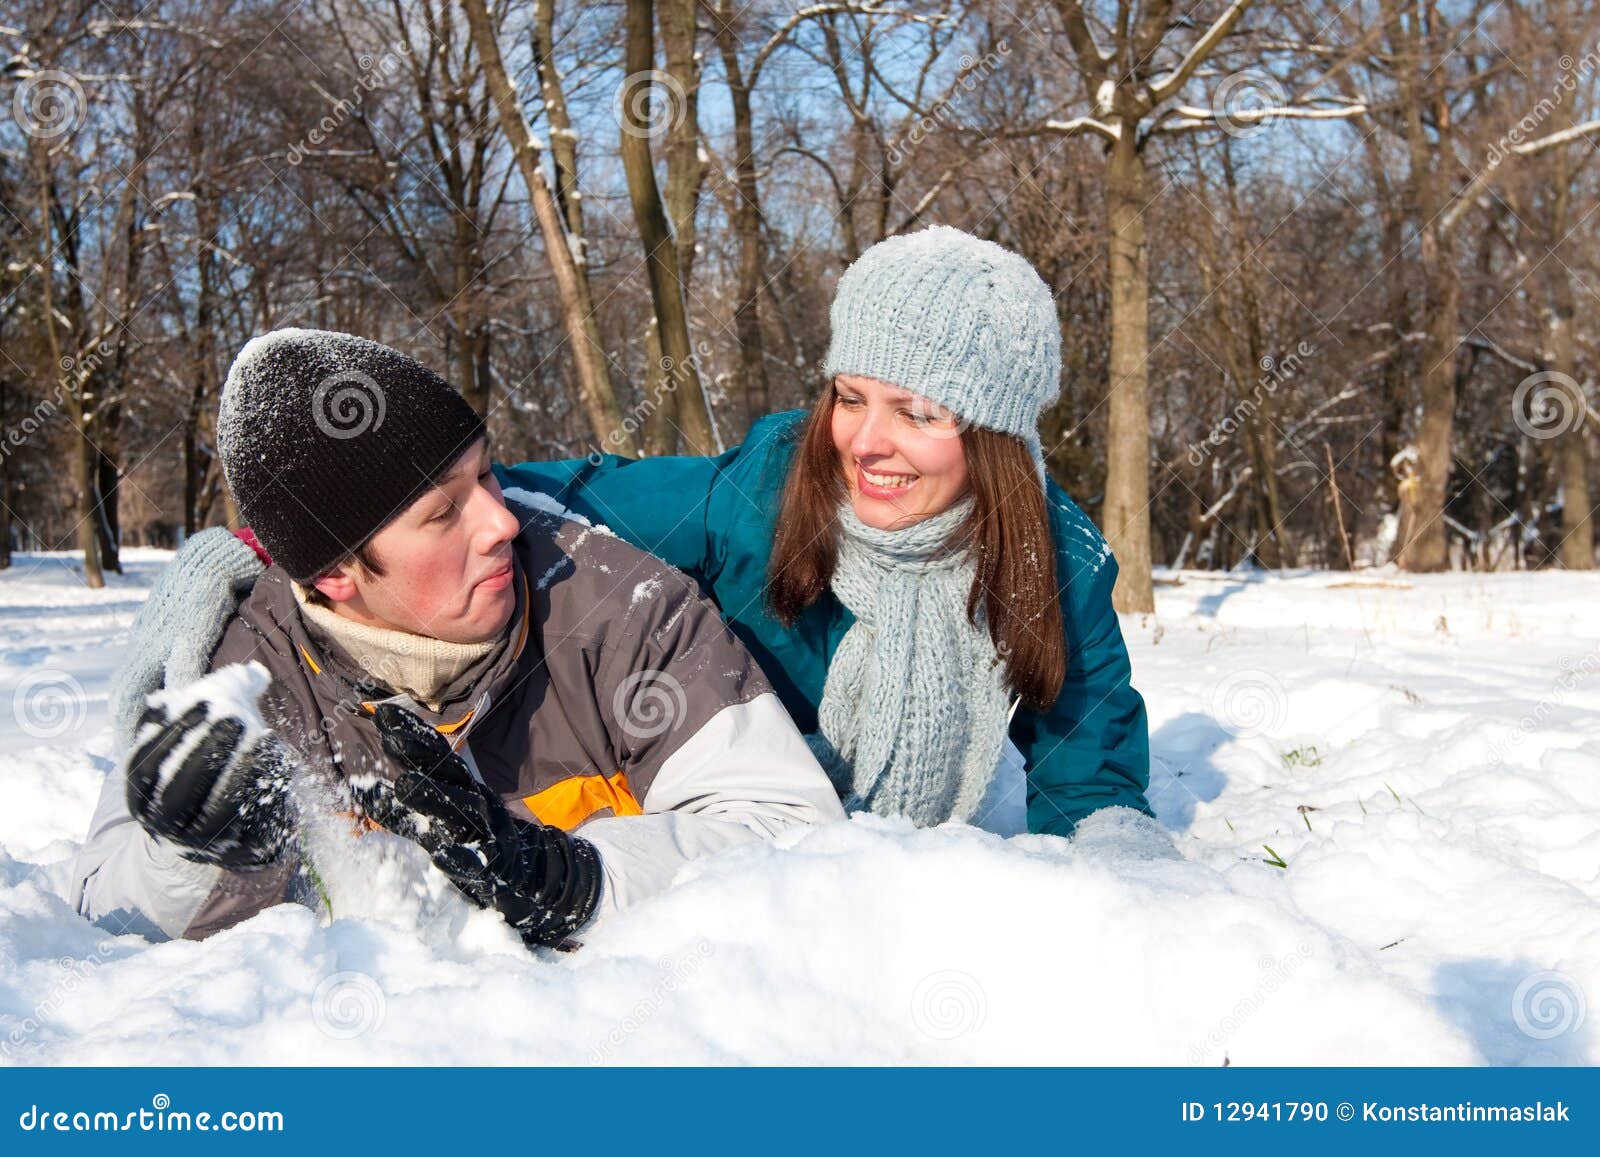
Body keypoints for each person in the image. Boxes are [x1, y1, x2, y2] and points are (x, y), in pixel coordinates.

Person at [114, 225, 1175, 854]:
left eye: (918, 412)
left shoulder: (1053, 559)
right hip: (750, 799)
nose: (866, 442)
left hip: (886, 854)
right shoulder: (768, 490)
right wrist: (306, 531)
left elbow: (1088, 766)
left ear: (992, 433)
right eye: (851, 397)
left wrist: (1126, 885)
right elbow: (579, 493)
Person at [70, 329, 845, 949]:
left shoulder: (620, 608)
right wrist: (197, 854)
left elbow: (793, 835)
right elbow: (101, 922)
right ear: (336, 573)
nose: (501, 520)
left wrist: (575, 881)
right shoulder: (237, 680)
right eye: (443, 512)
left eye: (485, 475)